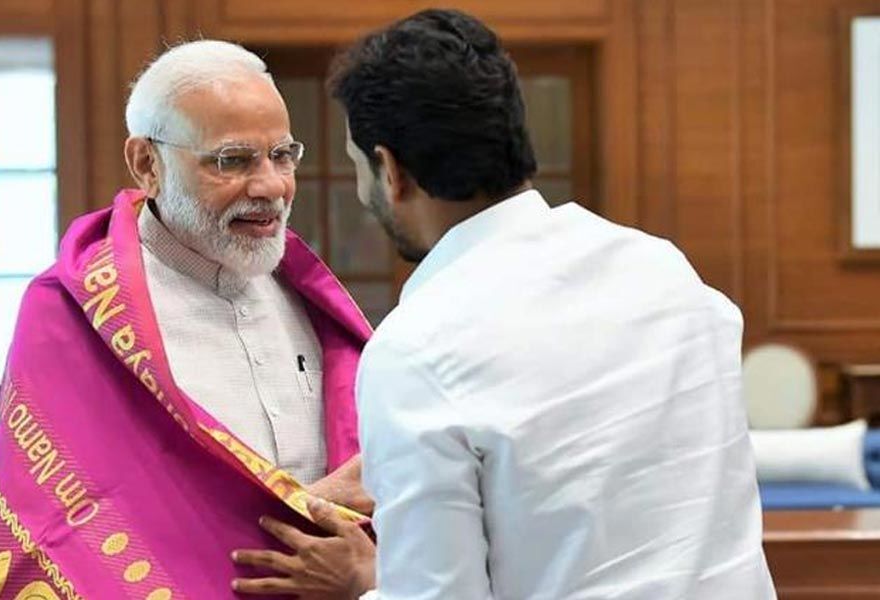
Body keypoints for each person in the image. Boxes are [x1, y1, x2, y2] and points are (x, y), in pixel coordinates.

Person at [233, 9, 777, 599]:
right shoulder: (663, 269)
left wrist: (366, 581)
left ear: (389, 170)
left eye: (357, 164)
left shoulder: (418, 348)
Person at [0, 40, 372, 599]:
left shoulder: (310, 299)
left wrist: (370, 556)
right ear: (148, 164)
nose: (271, 185)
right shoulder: (70, 312)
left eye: (283, 155)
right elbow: (63, 527)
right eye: (234, 160)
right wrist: (301, 510)